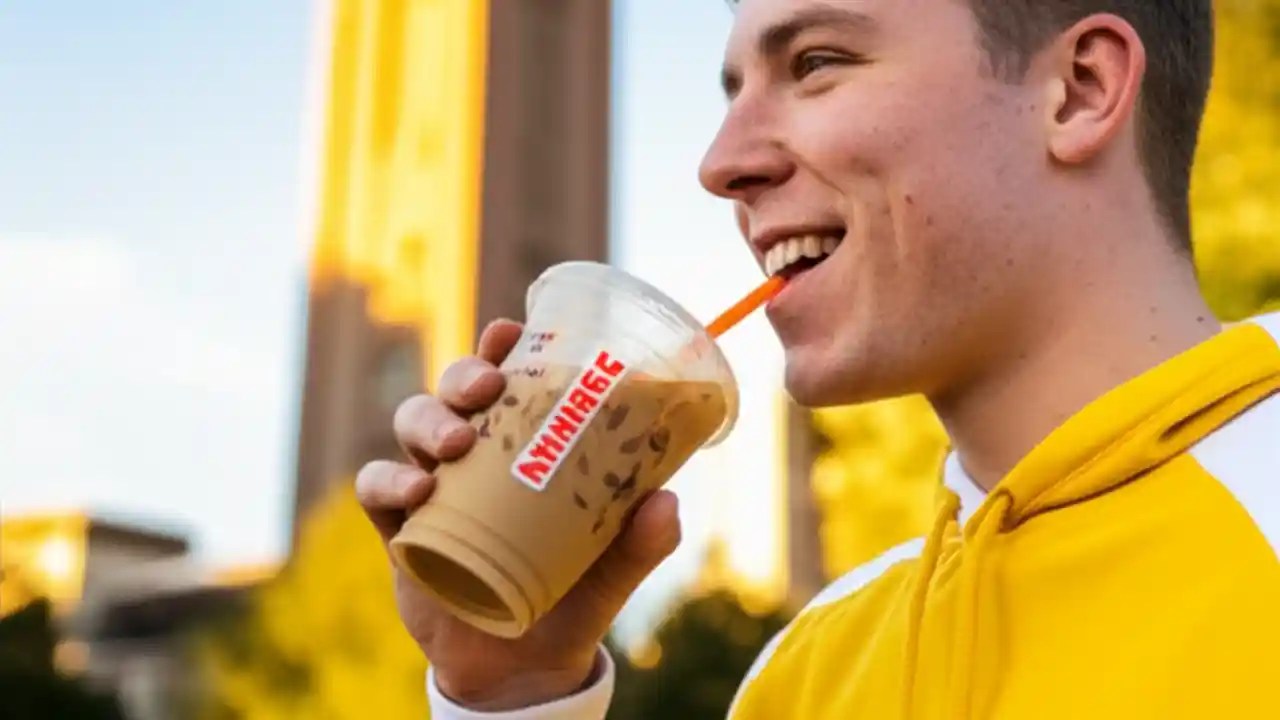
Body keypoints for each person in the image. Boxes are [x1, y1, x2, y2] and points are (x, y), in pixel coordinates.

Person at [356, 0, 1280, 717]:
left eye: (816, 64)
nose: (720, 164)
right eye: (733, 91)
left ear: (1079, 88)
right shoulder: (803, 675)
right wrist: (511, 697)